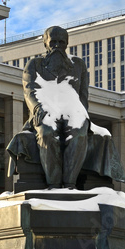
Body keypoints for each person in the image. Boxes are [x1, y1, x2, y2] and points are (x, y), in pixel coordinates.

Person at [22, 26, 91, 188]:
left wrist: (82, 114)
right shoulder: (34, 64)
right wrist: (37, 107)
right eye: (53, 42)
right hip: (45, 110)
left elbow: (83, 95)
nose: (57, 46)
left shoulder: (78, 65)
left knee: (79, 134)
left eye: (61, 42)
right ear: (45, 44)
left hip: (71, 111)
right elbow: (29, 90)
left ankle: (70, 184)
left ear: (66, 44)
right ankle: (53, 184)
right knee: (46, 133)